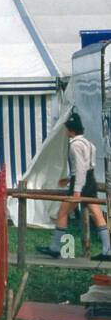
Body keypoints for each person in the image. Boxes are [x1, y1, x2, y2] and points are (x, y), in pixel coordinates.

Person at [38, 111, 110, 261]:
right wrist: (70, 179)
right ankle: (107, 249)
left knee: (62, 213)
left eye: (66, 129)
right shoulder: (89, 144)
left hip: (81, 184)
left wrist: (76, 189)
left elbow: (80, 168)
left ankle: (55, 247)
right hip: (90, 182)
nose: (65, 132)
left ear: (71, 130)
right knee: (97, 214)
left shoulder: (75, 146)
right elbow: (87, 167)